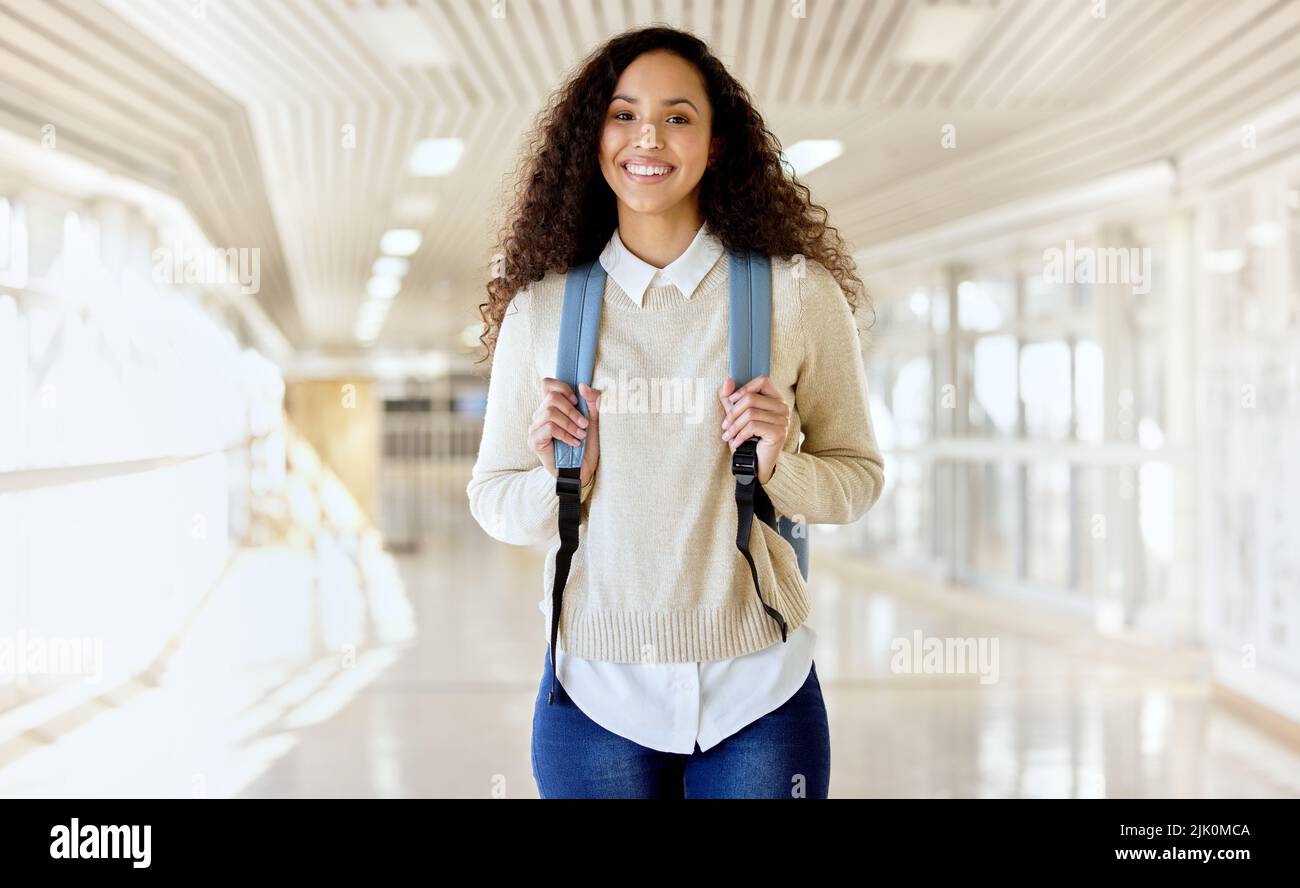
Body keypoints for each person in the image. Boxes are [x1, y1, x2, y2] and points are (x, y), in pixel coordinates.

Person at [467, 24, 884, 799]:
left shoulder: (793, 294)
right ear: (593, 137)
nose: (647, 136)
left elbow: (858, 478)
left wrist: (779, 469)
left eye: (678, 115)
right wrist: (564, 477)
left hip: (759, 692)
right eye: (623, 114)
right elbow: (493, 498)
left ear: (717, 144)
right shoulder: (543, 314)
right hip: (594, 695)